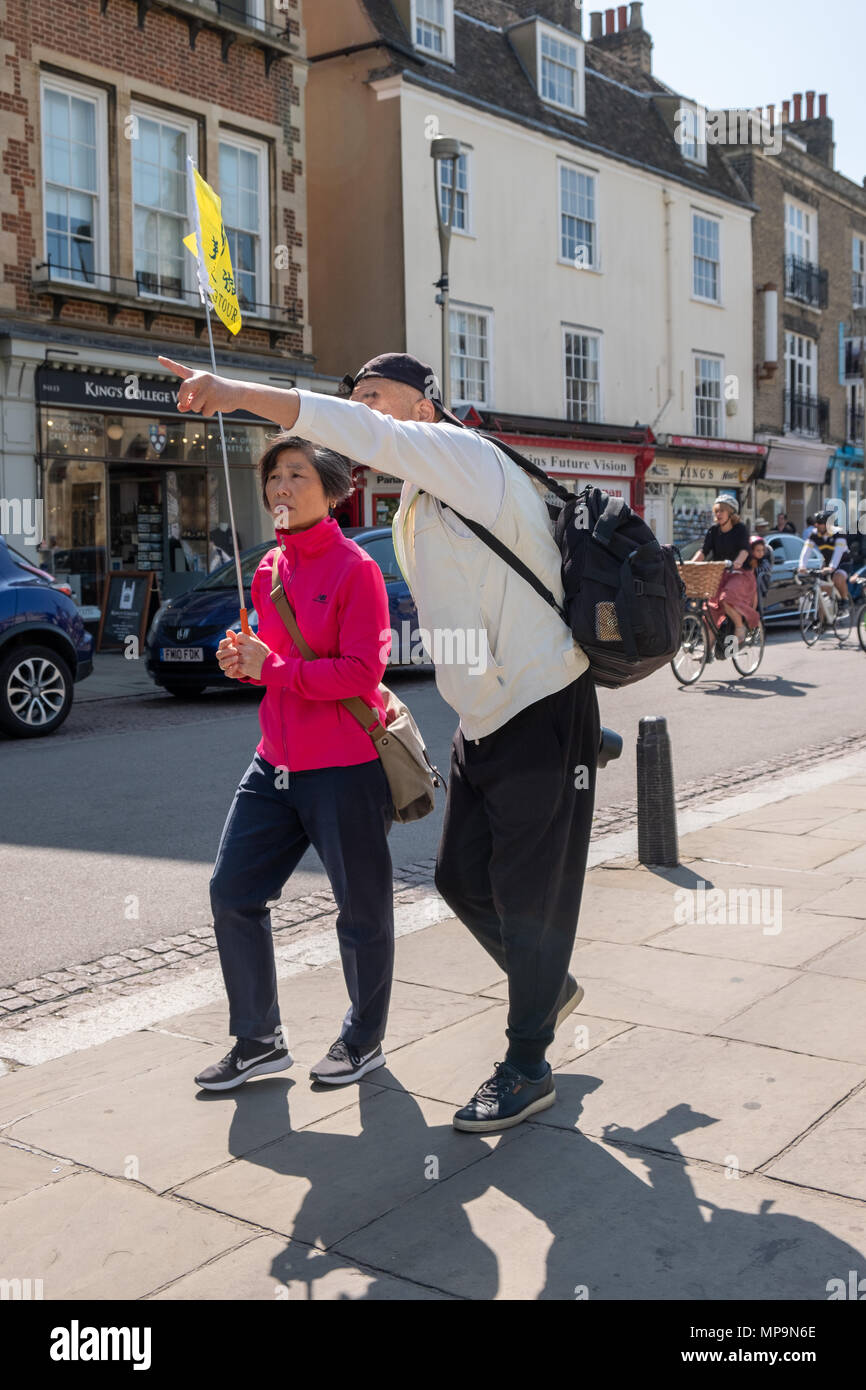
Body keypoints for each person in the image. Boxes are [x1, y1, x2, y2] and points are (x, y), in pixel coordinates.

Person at [159, 349, 598, 1135]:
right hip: (486, 717)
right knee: (463, 882)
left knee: (532, 895)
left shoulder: (464, 457)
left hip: (540, 706)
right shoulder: (419, 499)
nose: (363, 409)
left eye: (376, 397)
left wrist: (234, 391)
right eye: (355, 396)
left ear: (424, 405)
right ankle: (548, 986)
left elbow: (355, 439)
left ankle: (527, 1062)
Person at [193, 433, 397, 1092]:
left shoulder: (356, 569)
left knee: (360, 909)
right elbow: (275, 668)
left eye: (296, 476)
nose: (280, 489)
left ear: (334, 489)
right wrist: (244, 662)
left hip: (344, 765)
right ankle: (258, 1040)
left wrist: (271, 665)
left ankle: (363, 1040)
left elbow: (363, 671)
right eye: (273, 477)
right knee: (232, 892)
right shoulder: (266, 572)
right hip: (273, 765)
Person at [692, 494, 752, 646]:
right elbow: (704, 551)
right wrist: (691, 563)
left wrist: (737, 562)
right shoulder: (713, 530)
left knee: (726, 599)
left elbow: (745, 550)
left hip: (739, 574)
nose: (718, 514)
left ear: (731, 513)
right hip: (720, 574)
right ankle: (707, 650)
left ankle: (740, 626)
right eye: (716, 511)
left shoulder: (740, 529)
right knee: (708, 609)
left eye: (722, 511)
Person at [797, 509, 851, 612]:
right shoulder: (814, 534)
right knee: (822, 591)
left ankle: (844, 600)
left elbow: (838, 552)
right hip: (827, 563)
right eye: (816, 522)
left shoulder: (839, 533)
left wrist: (832, 567)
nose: (817, 525)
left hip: (843, 562)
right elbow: (806, 550)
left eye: (820, 523)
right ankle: (822, 621)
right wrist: (802, 565)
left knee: (837, 579)